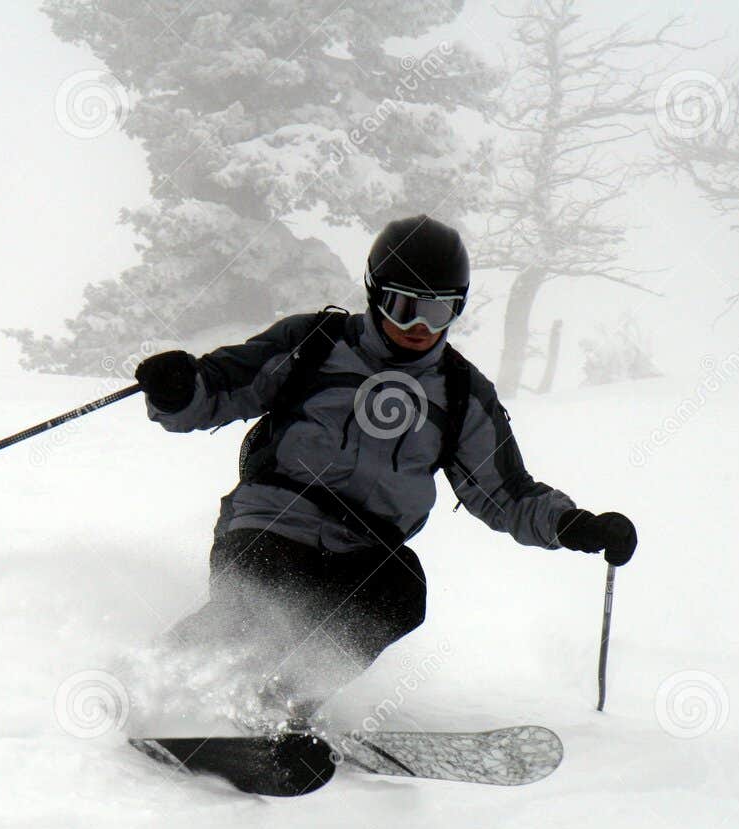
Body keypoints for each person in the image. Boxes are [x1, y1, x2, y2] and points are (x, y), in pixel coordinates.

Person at [133, 214, 636, 728]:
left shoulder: (460, 393)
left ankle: (283, 706)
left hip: (365, 548)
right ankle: (149, 686)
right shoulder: (316, 344)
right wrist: (179, 388)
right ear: (375, 294)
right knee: (261, 605)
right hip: (274, 519)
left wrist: (574, 526)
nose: (419, 328)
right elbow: (218, 391)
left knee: (401, 592)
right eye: (403, 307)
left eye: (437, 313)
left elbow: (506, 494)